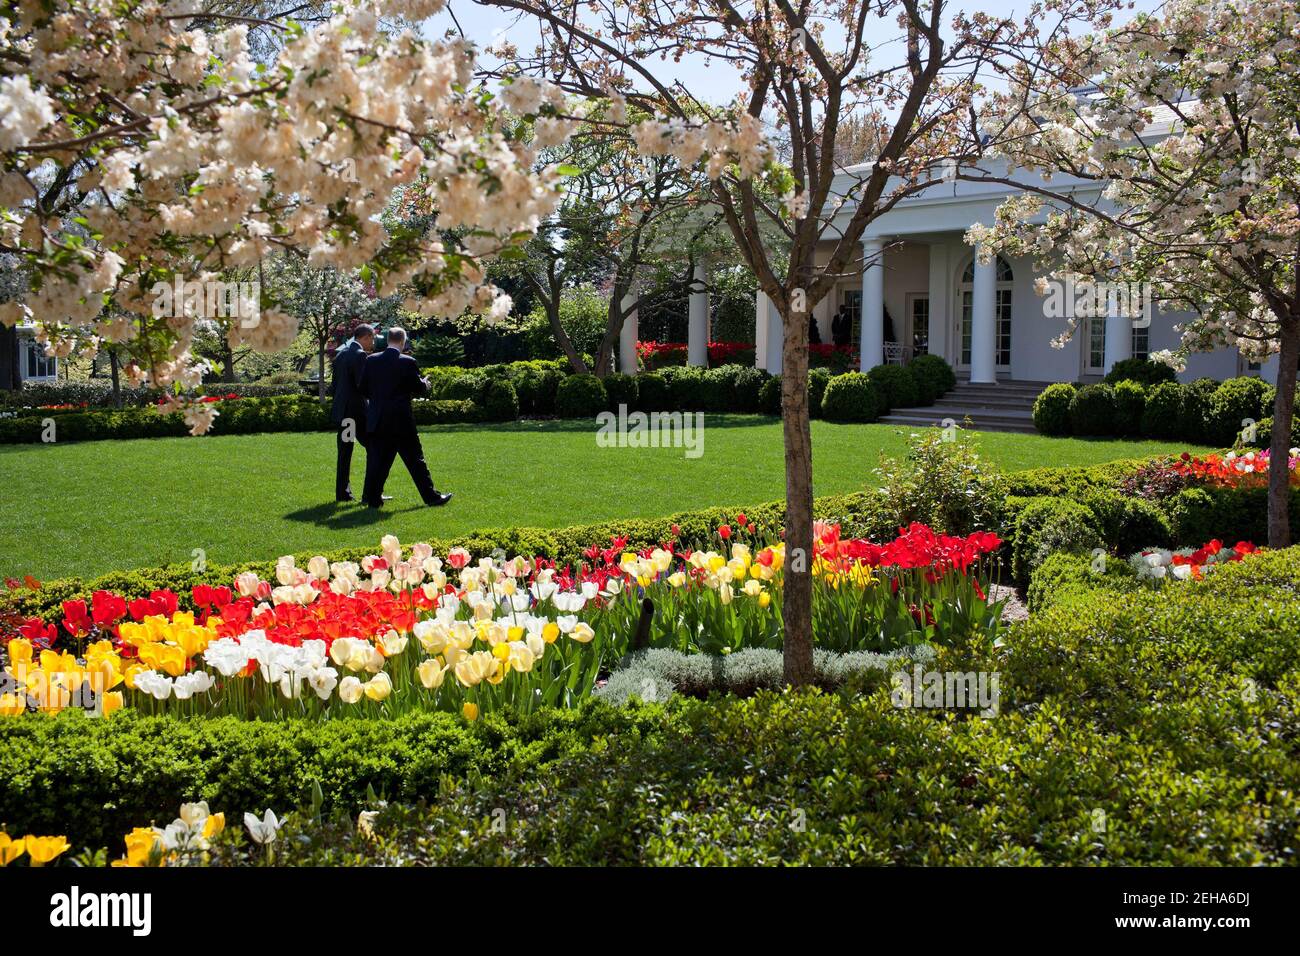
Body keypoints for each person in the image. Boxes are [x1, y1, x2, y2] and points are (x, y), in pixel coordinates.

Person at [359, 327, 452, 508]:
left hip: (378, 419)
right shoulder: (408, 362)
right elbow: (418, 388)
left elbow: (363, 388)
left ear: (387, 341)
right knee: (416, 461)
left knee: (378, 462)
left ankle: (373, 498)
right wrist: (425, 383)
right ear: (403, 341)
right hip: (401, 420)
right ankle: (431, 497)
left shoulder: (371, 360)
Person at [330, 323, 373, 502]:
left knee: (345, 452)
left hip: (344, 413)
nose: (373, 342)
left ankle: (343, 493)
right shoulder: (360, 355)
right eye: (372, 338)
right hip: (356, 413)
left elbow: (334, 386)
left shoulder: (340, 355)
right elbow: (362, 385)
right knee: (375, 448)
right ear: (366, 337)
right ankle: (372, 492)